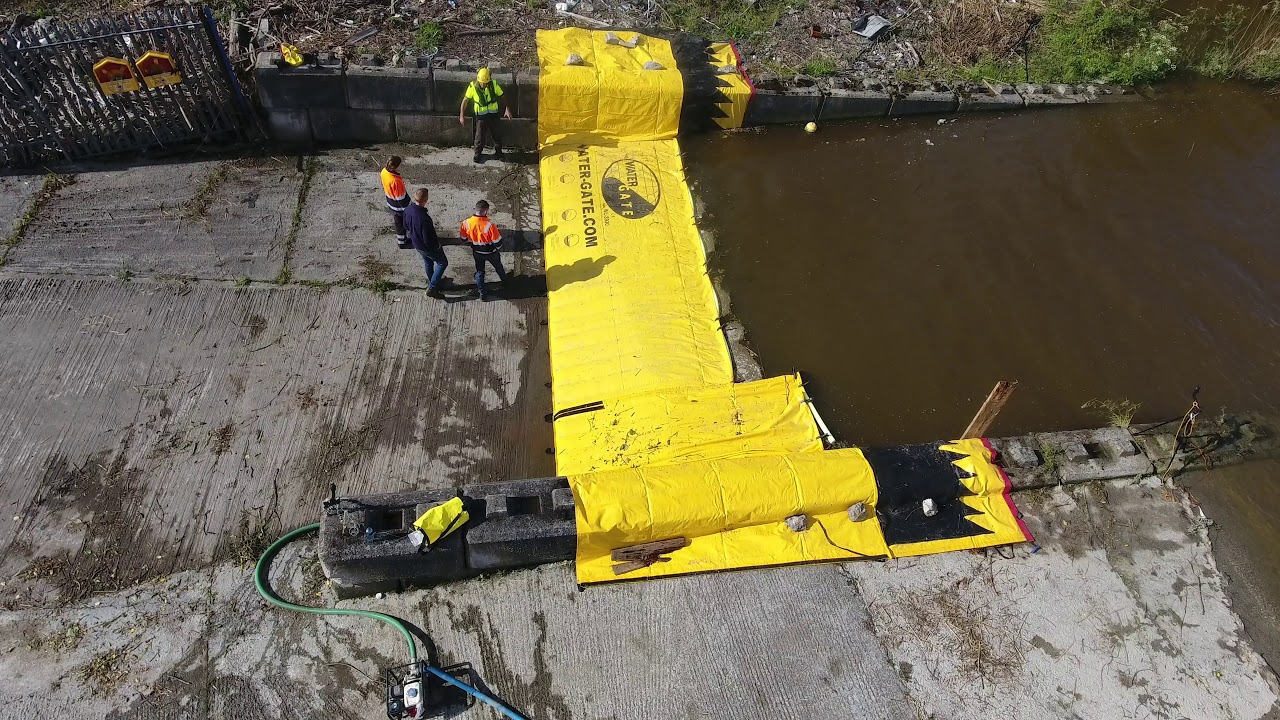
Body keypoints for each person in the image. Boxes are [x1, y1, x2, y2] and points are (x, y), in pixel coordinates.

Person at [459, 199, 510, 301]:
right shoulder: (489, 226)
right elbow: (498, 243)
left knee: (480, 272)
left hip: (477, 252)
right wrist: (496, 249)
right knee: (498, 267)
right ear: (486, 211)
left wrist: (472, 243)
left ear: (476, 209)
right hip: (491, 253)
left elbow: (463, 239)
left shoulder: (465, 223)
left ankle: (482, 293)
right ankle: (506, 282)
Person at [458, 68, 511, 164]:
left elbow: (502, 95)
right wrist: (462, 114)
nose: (483, 84)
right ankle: (478, 153)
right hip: (481, 116)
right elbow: (465, 100)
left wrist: (507, 108)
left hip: (493, 114)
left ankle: (498, 152)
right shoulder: (472, 86)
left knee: (497, 134)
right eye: (482, 82)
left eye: (485, 82)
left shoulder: (493, 84)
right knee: (479, 136)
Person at [402, 188, 448, 298]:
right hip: (427, 247)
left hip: (416, 244)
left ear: (414, 197)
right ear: (426, 200)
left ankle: (433, 280)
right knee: (442, 263)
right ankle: (432, 287)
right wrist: (437, 246)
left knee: (428, 263)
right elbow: (429, 238)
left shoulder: (408, 210)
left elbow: (405, 225)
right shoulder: (425, 218)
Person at [380, 156, 411, 249]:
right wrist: (408, 209)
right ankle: (402, 242)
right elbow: (401, 198)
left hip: (391, 203)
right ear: (395, 167)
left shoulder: (384, 172)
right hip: (399, 207)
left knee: (398, 223)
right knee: (401, 225)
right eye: (399, 165)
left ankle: (402, 240)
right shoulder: (395, 181)